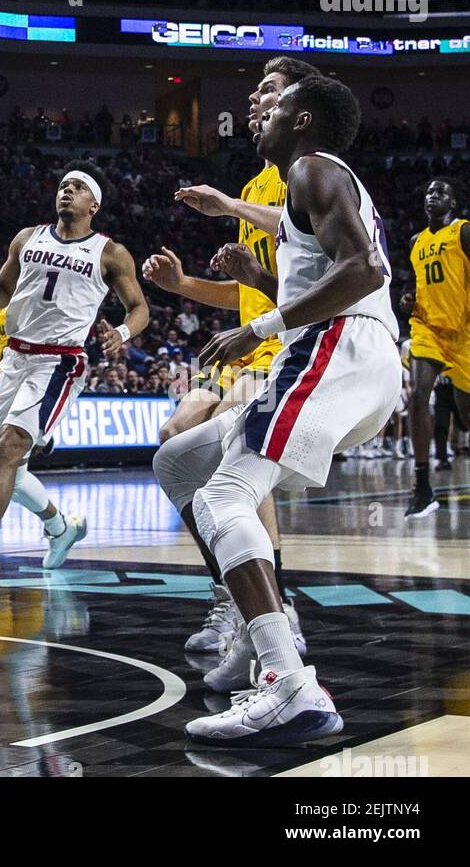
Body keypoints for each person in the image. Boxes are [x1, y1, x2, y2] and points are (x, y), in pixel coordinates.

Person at [166, 76, 400, 745]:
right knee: (179, 462)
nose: (258, 113)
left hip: (337, 348)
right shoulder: (312, 182)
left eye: (273, 104)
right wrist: (246, 245)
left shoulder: (312, 169)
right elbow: (319, 258)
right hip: (359, 361)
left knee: (223, 497)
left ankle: (288, 681)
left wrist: (260, 325)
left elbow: (363, 271)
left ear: (301, 119)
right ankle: (252, 617)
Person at [145, 57, 319, 662]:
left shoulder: (310, 178)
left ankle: (277, 606)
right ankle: (231, 594)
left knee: (237, 446)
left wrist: (247, 255)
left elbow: (309, 288)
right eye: (253, 91)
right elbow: (245, 292)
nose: (253, 100)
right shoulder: (252, 188)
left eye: (267, 91)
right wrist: (183, 285)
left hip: (292, 345)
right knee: (175, 434)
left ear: (300, 109)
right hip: (246, 344)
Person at [0, 163, 149, 595]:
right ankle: (61, 527)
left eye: (78, 187)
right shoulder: (28, 237)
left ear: (93, 204)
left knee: (7, 453)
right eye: (63, 185)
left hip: (59, 363)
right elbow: (3, 290)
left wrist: (120, 333)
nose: (67, 191)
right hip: (14, 359)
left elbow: (140, 309)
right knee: (4, 467)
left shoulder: (110, 252)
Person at [400, 179, 470, 517]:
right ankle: (423, 484)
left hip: (464, 332)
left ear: (452, 203)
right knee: (418, 395)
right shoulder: (416, 242)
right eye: (428, 192)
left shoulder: (464, 233)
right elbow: (418, 285)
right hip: (427, 328)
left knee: (466, 417)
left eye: (441, 192)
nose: (433, 196)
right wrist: (408, 298)